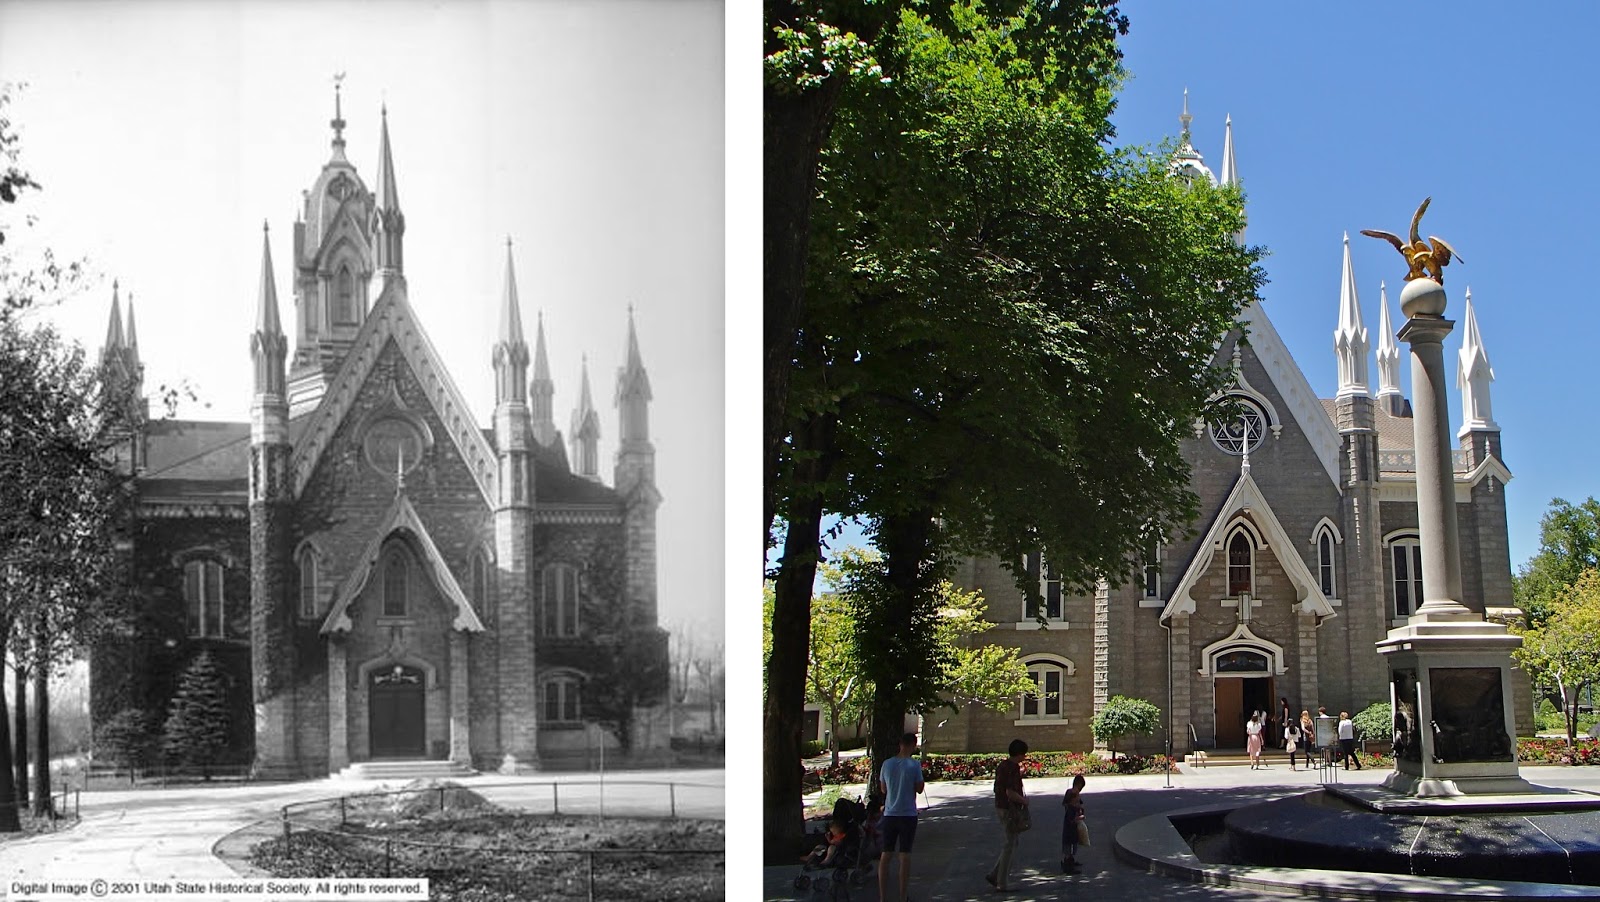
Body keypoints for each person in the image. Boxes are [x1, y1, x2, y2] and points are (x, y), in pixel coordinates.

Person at [878, 732, 925, 902]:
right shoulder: (914, 765)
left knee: (886, 854)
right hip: (908, 814)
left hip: (890, 813)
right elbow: (919, 788)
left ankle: (883, 897)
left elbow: (883, 789)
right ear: (913, 745)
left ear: (900, 744)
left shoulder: (886, 764)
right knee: (904, 855)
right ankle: (902, 896)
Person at [986, 738, 1029, 891]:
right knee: (1009, 844)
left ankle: (995, 874)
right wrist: (1024, 801)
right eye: (1023, 754)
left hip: (1000, 806)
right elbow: (1010, 792)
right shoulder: (1012, 768)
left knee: (1012, 842)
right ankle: (1001, 882)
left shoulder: (1002, 765)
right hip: (1009, 808)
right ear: (1019, 754)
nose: (1024, 757)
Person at [1060, 773, 1086, 871]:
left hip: (1074, 826)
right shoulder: (1070, 808)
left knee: (1073, 842)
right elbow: (1071, 819)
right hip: (1070, 826)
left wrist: (1080, 810)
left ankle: (1071, 859)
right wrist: (1078, 817)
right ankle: (1067, 863)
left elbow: (1080, 805)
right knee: (1068, 842)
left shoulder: (1076, 795)